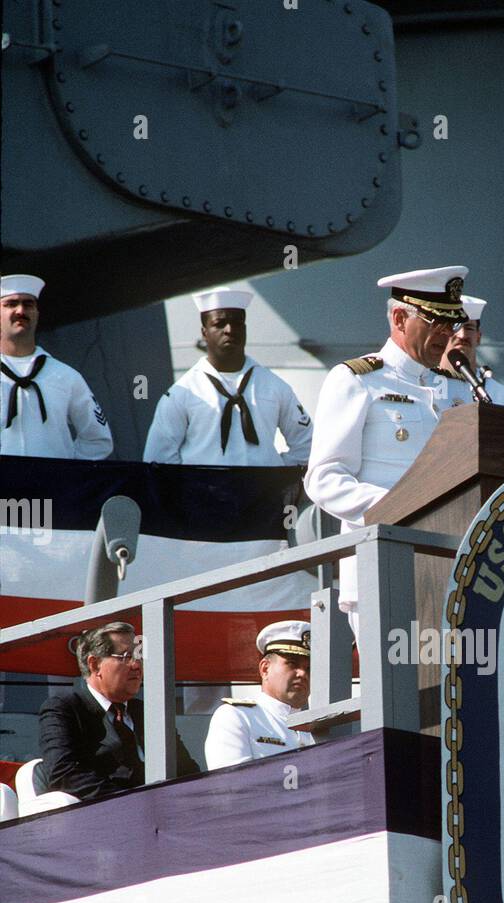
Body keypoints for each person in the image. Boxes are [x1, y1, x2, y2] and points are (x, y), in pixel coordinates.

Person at [305, 265, 469, 634]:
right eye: (437, 321)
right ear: (399, 318)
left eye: (453, 323)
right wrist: (402, 509)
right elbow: (325, 478)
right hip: (382, 565)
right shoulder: (357, 380)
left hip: (452, 568)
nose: (448, 333)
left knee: (460, 671)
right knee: (397, 672)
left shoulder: (459, 387)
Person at [143, 287, 313, 467]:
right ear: (204, 332)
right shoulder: (182, 393)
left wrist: (276, 472)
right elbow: (158, 459)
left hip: (263, 485)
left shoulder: (275, 387)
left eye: (237, 323)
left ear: (245, 329)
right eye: (219, 324)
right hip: (203, 485)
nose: (229, 330)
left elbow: (308, 446)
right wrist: (193, 481)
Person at [37, 622, 199, 802]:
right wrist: (132, 802)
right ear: (94, 664)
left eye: (139, 656)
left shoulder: (148, 712)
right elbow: (64, 775)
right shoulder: (65, 709)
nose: (136, 665)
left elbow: (187, 770)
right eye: (126, 656)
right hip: (110, 812)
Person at [1, 274, 113, 459]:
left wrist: (66, 470)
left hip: (52, 478)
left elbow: (98, 439)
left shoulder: (66, 376)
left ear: (37, 314)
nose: (20, 310)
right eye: (11, 304)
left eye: (28, 304)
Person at [204, 620, 315, 770]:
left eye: (309, 668)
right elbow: (231, 781)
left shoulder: (319, 725)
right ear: (265, 669)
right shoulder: (237, 716)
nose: (302, 673)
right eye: (292, 664)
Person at [440, 294, 504, 407]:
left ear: (478, 337)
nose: (462, 335)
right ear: (442, 334)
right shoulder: (425, 385)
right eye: (455, 327)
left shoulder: (501, 396)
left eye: (469, 328)